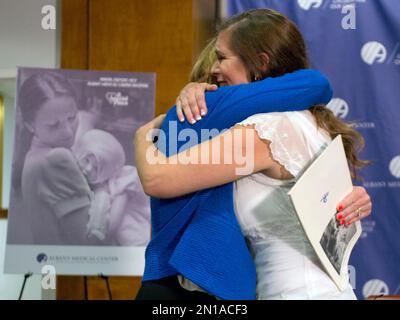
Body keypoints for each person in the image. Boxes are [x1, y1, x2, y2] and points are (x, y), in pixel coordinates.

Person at [135, 9, 372, 300]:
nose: (213, 69)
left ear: (260, 63)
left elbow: (157, 179)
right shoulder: (314, 122)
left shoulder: (265, 130)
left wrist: (142, 136)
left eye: (222, 58)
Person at [10, 72, 94, 245]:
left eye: (71, 118)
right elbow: (90, 238)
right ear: (30, 125)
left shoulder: (33, 157)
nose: (68, 132)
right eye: (53, 125)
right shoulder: (55, 159)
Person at [72, 129, 150, 246]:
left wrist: (102, 241)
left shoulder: (121, 179)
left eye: (97, 167)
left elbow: (114, 223)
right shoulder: (90, 183)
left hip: (137, 240)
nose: (88, 169)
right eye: (86, 160)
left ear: (108, 168)